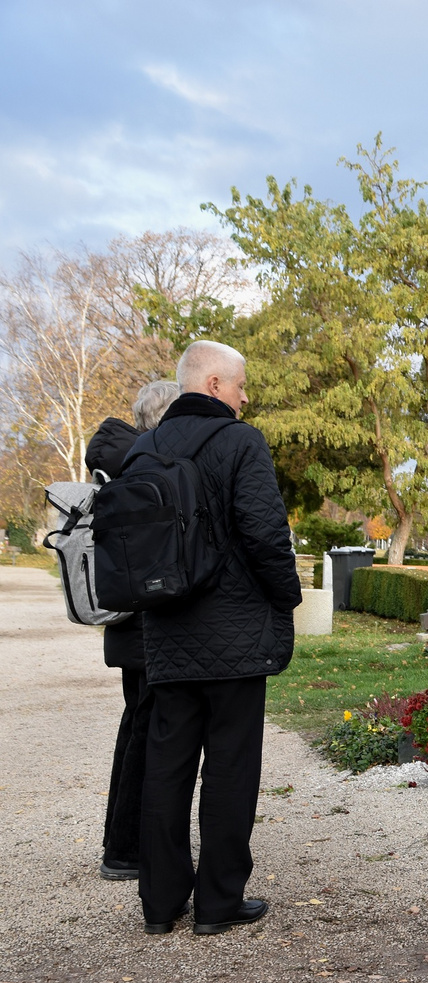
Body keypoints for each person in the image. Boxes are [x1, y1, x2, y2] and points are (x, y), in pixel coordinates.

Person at [139, 341, 301, 936]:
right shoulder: (241, 441)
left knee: (167, 767)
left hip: (166, 631)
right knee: (230, 767)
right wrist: (287, 595)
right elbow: (263, 532)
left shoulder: (143, 448)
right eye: (239, 385)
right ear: (212, 384)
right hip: (233, 634)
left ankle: (158, 904)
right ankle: (217, 902)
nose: (244, 396)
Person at [86, 379, 180, 881]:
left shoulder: (121, 465)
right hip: (146, 625)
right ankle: (126, 851)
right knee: (147, 734)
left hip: (130, 625)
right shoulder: (144, 470)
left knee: (136, 730)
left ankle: (120, 845)